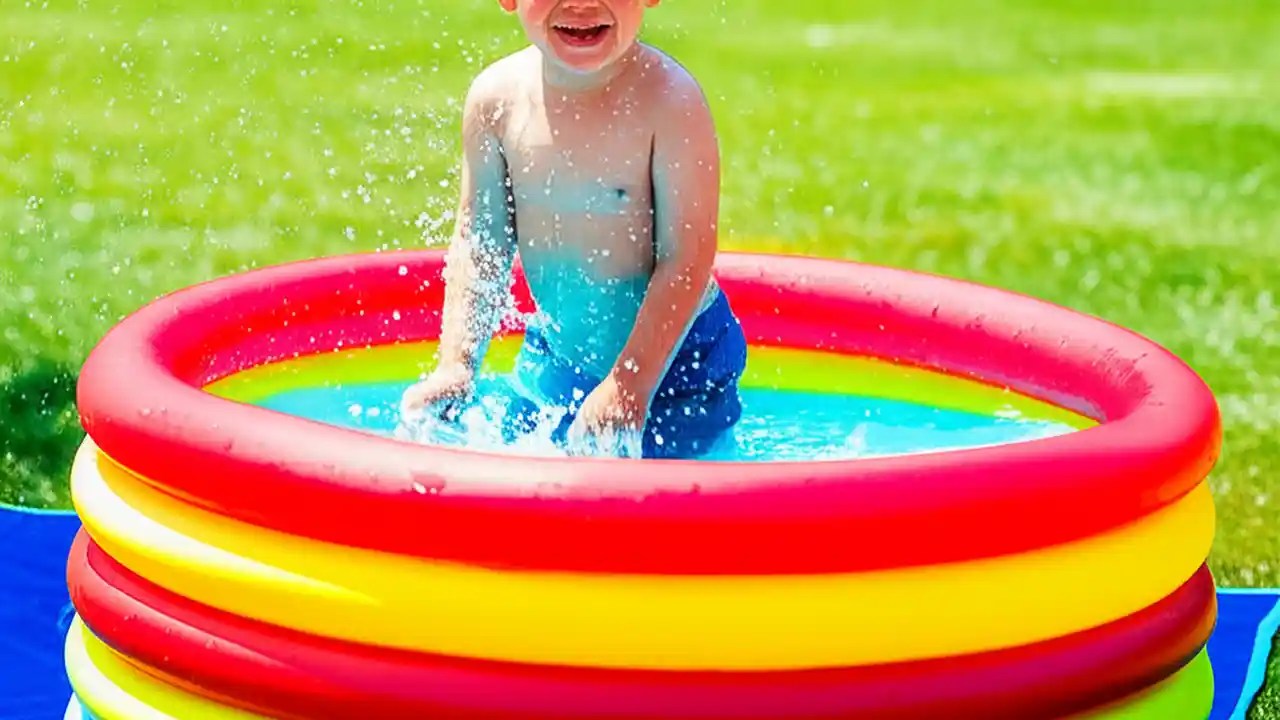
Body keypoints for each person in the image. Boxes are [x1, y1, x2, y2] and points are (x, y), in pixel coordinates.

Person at [399, 0, 746, 459]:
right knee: (521, 482)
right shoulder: (495, 102)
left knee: (666, 502)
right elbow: (481, 242)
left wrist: (630, 383)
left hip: (679, 362)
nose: (581, 4)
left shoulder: (669, 102)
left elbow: (687, 257)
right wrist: (456, 365)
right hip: (558, 351)